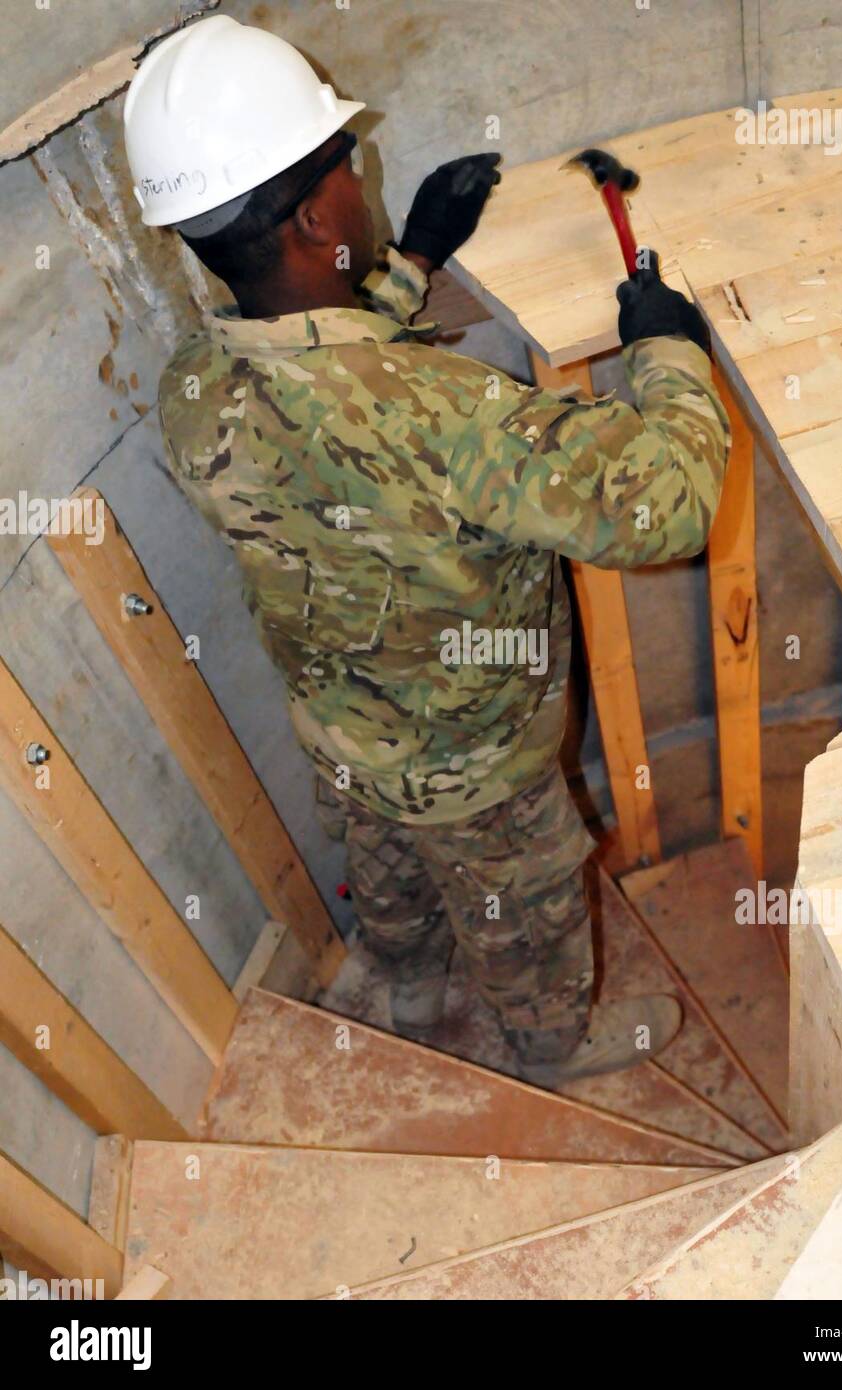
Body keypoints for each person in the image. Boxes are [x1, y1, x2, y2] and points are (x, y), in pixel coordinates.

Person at [124, 15, 730, 1085]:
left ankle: (403, 987)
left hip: (344, 735)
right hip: (478, 766)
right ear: (317, 216)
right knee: (521, 911)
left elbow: (329, 381)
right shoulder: (458, 418)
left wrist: (405, 265)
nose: (363, 179)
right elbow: (672, 502)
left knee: (389, 874)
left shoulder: (189, 388)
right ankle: (555, 1043)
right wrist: (668, 346)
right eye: (348, 166)